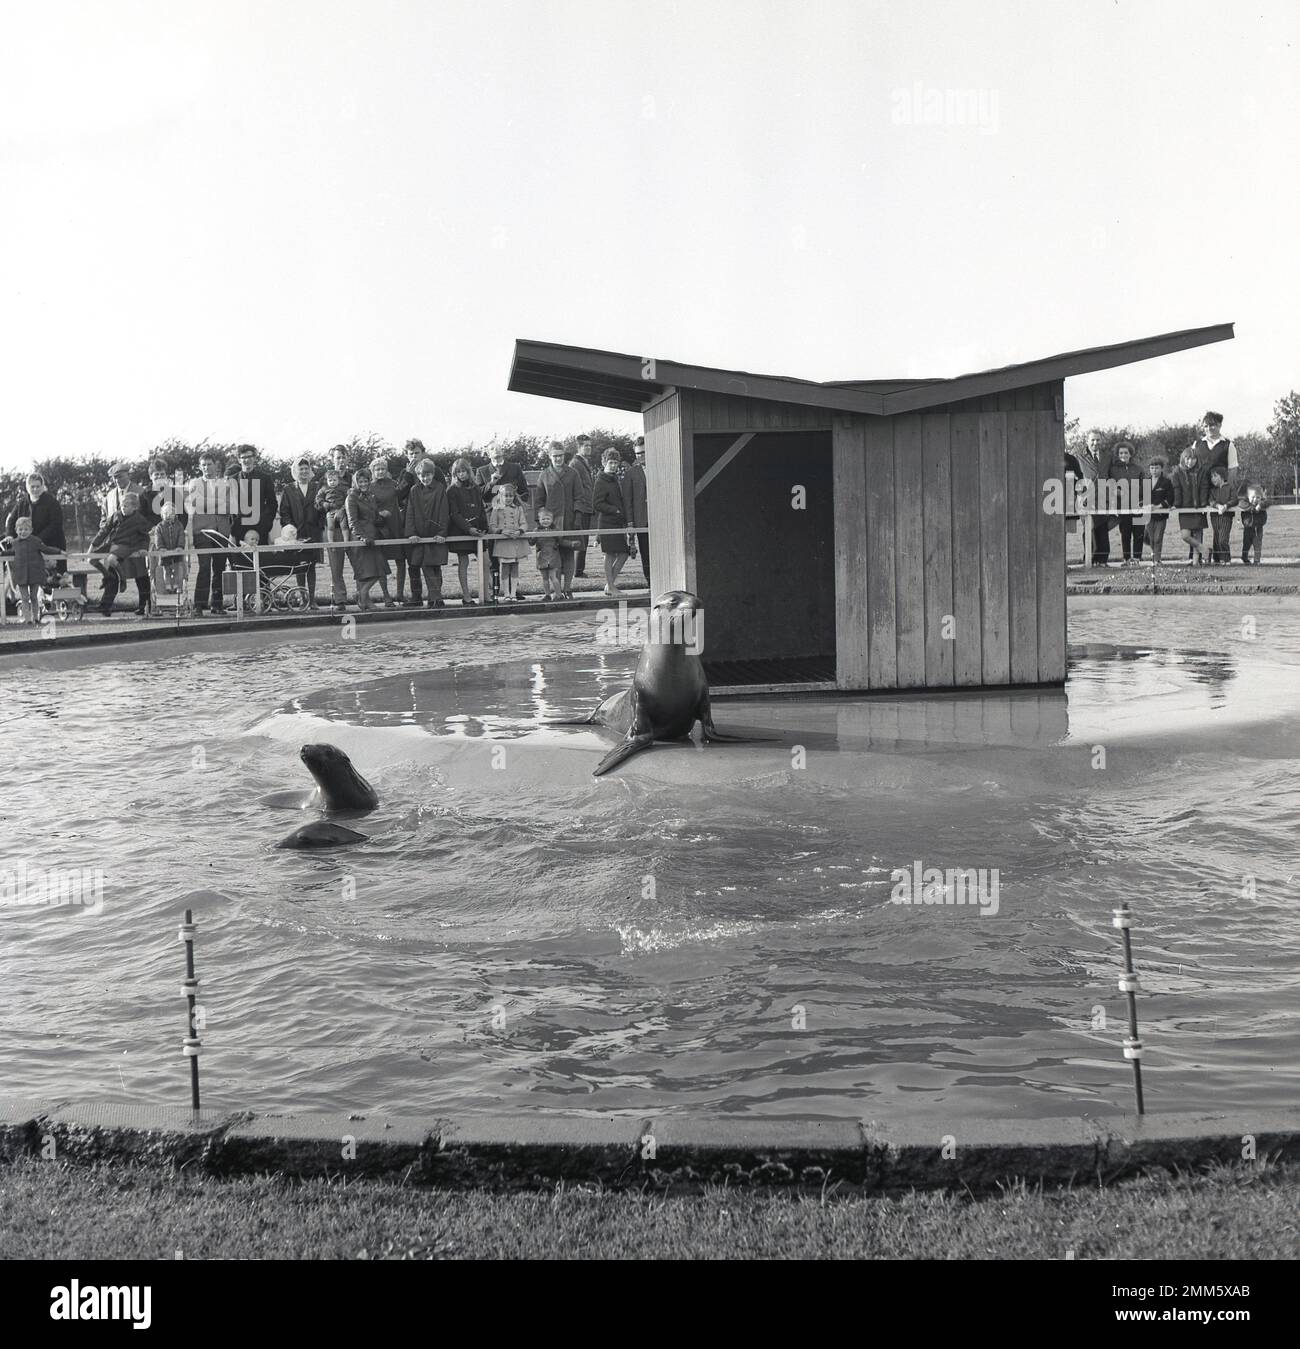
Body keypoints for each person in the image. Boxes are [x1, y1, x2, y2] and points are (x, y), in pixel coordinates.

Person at [186, 451, 237, 614]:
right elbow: (197, 503)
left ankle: (217, 604)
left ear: (216, 465)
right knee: (204, 567)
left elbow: (231, 507)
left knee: (220, 568)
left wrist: (210, 504)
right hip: (202, 532)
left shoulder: (226, 484)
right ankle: (199, 605)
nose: (206, 468)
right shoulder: (194, 483)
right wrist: (219, 502)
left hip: (221, 531)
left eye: (209, 464)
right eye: (203, 465)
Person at [88, 490, 151, 616]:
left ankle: (144, 606)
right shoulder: (116, 515)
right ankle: (105, 605)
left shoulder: (139, 519)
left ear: (134, 507)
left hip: (130, 547)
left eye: (126, 506)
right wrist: (93, 545)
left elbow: (145, 537)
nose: (123, 508)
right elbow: (104, 530)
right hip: (113, 545)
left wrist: (144, 548)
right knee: (93, 561)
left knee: (141, 577)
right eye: (121, 505)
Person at [404, 458, 451, 608]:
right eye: (422, 476)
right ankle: (435, 598)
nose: (425, 478)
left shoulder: (440, 489)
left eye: (428, 475)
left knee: (436, 567)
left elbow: (444, 512)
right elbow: (410, 513)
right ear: (417, 476)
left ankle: (435, 597)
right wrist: (411, 533)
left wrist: (443, 532)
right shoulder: (414, 490)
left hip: (436, 534)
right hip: (420, 535)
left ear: (433, 474)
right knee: (426, 566)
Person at [536, 442, 579, 600]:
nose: (558, 459)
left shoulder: (573, 473)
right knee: (553, 557)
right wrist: (542, 521)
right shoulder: (544, 475)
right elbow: (539, 501)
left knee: (568, 554)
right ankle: (556, 590)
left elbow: (579, 497)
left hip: (569, 520)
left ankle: (567, 588)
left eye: (561, 455)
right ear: (549, 456)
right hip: (550, 523)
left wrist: (577, 518)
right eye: (555, 456)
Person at [345, 467, 391, 610]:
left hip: (373, 537)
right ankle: (363, 597)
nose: (364, 484)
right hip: (361, 540)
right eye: (360, 482)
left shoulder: (370, 496)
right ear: (355, 483)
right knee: (367, 573)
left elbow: (373, 517)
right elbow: (353, 521)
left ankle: (363, 597)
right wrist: (362, 537)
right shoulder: (351, 497)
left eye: (366, 481)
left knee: (380, 569)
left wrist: (381, 516)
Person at [278, 457, 321, 607]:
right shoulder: (288, 489)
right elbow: (284, 511)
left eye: (306, 469)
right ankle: (303, 598)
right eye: (300, 469)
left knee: (311, 566)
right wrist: (290, 528)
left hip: (313, 532)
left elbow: (321, 508)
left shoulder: (316, 487)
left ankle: (313, 599)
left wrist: (319, 524)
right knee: (300, 567)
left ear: (310, 470)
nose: (303, 471)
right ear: (295, 471)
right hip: (296, 533)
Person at [5, 472, 67, 577]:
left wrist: (36, 540)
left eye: (38, 486)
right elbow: (11, 520)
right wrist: (10, 534)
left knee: (52, 579)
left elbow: (55, 525)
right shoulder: (22, 502)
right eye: (32, 486)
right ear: (27, 487)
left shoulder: (52, 503)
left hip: (49, 544)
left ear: (42, 486)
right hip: (27, 545)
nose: (35, 489)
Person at [0, 517, 60, 623]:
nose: (23, 532)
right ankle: (27, 619)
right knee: (24, 597)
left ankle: (36, 618)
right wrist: (2, 553)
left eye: (26, 529)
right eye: (21, 529)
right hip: (21, 574)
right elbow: (9, 552)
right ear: (16, 530)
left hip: (34, 574)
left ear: (31, 530)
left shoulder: (36, 541)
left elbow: (46, 549)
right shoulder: (15, 543)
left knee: (34, 597)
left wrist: (60, 551)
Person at [446, 457, 488, 605]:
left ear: (468, 471)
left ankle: (486, 595)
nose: (462, 474)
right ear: (454, 473)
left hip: (478, 530)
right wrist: (468, 529)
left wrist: (484, 527)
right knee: (463, 562)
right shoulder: (452, 490)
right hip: (461, 531)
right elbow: (454, 514)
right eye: (458, 472)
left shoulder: (475, 487)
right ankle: (466, 596)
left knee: (485, 561)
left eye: (464, 471)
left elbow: (481, 508)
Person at [592, 447, 632, 596]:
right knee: (610, 555)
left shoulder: (614, 479)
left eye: (615, 462)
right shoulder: (601, 480)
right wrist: (614, 510)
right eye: (610, 462)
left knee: (624, 553)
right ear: (604, 462)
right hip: (607, 522)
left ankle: (609, 586)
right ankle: (610, 586)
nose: (613, 465)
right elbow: (596, 504)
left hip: (616, 522)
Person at [487, 479, 529, 601]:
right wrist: (501, 531)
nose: (508, 498)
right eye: (506, 496)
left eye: (511, 496)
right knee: (505, 567)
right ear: (500, 496)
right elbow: (492, 526)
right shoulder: (496, 509)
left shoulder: (518, 508)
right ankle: (506, 594)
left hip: (516, 541)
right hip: (504, 542)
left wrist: (519, 531)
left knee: (515, 567)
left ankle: (513, 594)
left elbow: (524, 523)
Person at [1170, 447, 1211, 565]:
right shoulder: (1177, 471)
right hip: (1185, 509)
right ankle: (1204, 549)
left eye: (1193, 459)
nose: (1190, 461)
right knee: (1185, 535)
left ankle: (1196, 562)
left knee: (1198, 535)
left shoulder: (1202, 471)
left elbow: (1204, 487)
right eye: (1187, 458)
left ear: (1197, 460)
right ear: (1183, 458)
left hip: (1198, 508)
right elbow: (1176, 489)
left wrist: (1204, 503)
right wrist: (1176, 504)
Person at [318, 465, 350, 611]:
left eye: (343, 457)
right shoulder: (323, 486)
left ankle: (363, 597)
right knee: (336, 568)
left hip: (350, 526)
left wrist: (343, 509)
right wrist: (326, 505)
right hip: (332, 523)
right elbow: (317, 502)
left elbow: (352, 497)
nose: (340, 460)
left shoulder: (350, 480)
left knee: (361, 564)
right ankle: (340, 599)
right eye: (337, 457)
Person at [1108, 442, 1145, 565]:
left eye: (1126, 453)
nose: (1123, 455)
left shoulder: (1138, 469)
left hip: (1138, 506)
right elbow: (1110, 484)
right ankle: (1127, 559)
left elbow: (1144, 487)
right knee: (1125, 533)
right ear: (1117, 454)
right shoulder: (1113, 469)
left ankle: (1137, 559)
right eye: (1121, 453)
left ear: (1130, 454)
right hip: (1122, 506)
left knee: (1138, 533)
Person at [233, 445, 278, 545]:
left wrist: (265, 523)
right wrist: (234, 530)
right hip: (239, 530)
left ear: (254, 458)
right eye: (243, 457)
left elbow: (272, 504)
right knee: (241, 560)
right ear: (239, 460)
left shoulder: (265, 478)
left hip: (260, 528)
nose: (247, 460)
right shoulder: (232, 480)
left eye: (249, 457)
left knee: (263, 559)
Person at [570, 434, 597, 576]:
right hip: (580, 508)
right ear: (579, 447)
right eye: (585, 445)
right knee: (581, 539)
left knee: (584, 538)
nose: (588, 448)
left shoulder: (584, 462)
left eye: (589, 445)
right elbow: (575, 488)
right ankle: (578, 571)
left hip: (587, 506)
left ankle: (579, 569)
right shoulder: (575, 463)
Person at [624, 437, 650, 583]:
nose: (640, 456)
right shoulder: (631, 473)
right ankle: (650, 583)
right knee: (646, 553)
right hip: (641, 520)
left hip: (659, 519)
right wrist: (630, 522)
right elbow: (628, 500)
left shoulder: (660, 467)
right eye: (637, 453)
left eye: (643, 452)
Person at [150, 500, 187, 597]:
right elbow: (158, 538)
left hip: (176, 552)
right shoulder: (159, 527)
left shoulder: (179, 525)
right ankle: (167, 586)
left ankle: (176, 586)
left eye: (171, 513)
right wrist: (161, 547)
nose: (168, 515)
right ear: (162, 515)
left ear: (175, 514)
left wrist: (180, 546)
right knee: (166, 570)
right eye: (166, 513)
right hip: (165, 553)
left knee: (177, 569)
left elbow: (181, 537)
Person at [1144, 457, 1175, 566]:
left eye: (1157, 468)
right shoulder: (1145, 481)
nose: (1154, 470)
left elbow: (1170, 498)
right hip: (1148, 515)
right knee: (1151, 538)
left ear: (1161, 469)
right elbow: (1140, 497)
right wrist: (1146, 506)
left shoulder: (1166, 482)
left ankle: (1157, 559)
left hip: (1161, 515)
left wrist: (1157, 507)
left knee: (1158, 538)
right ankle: (1153, 557)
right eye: (1152, 468)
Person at [1193, 411, 1238, 478]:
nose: (1209, 428)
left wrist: (1226, 487)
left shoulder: (1228, 445)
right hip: (1200, 487)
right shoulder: (1197, 444)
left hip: (1220, 487)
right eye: (1206, 426)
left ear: (1219, 425)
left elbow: (1233, 470)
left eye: (1212, 425)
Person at [99, 462, 142, 530]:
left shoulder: (140, 492)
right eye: (114, 477)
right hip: (114, 538)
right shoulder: (109, 496)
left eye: (120, 476)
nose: (117, 480)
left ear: (128, 475)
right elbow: (104, 519)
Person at [1207, 468, 1235, 565]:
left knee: (1223, 539)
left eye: (1215, 476)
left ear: (1222, 477)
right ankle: (1217, 559)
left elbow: (1234, 499)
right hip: (1214, 517)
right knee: (1216, 538)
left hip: (1226, 517)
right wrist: (1217, 506)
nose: (1212, 479)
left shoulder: (1230, 487)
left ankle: (1226, 559)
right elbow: (1210, 501)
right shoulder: (1212, 490)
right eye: (1211, 477)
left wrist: (1226, 506)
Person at [533, 507, 562, 600]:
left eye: (548, 519)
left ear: (552, 520)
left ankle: (559, 595)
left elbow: (560, 540)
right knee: (544, 578)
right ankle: (547, 595)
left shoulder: (555, 530)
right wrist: (532, 536)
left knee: (553, 576)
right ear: (539, 520)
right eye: (543, 519)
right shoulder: (536, 530)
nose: (545, 521)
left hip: (553, 556)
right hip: (541, 556)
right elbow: (531, 542)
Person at [1238, 483, 1268, 566]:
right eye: (1253, 497)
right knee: (1246, 544)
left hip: (1258, 528)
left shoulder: (1262, 503)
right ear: (1248, 497)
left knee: (1257, 544)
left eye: (1258, 497)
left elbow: (1268, 501)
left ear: (1261, 497)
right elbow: (1240, 503)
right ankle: (1244, 557)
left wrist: (1260, 505)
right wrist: (1252, 508)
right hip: (1248, 528)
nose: (1255, 499)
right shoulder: (1245, 502)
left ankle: (1256, 560)